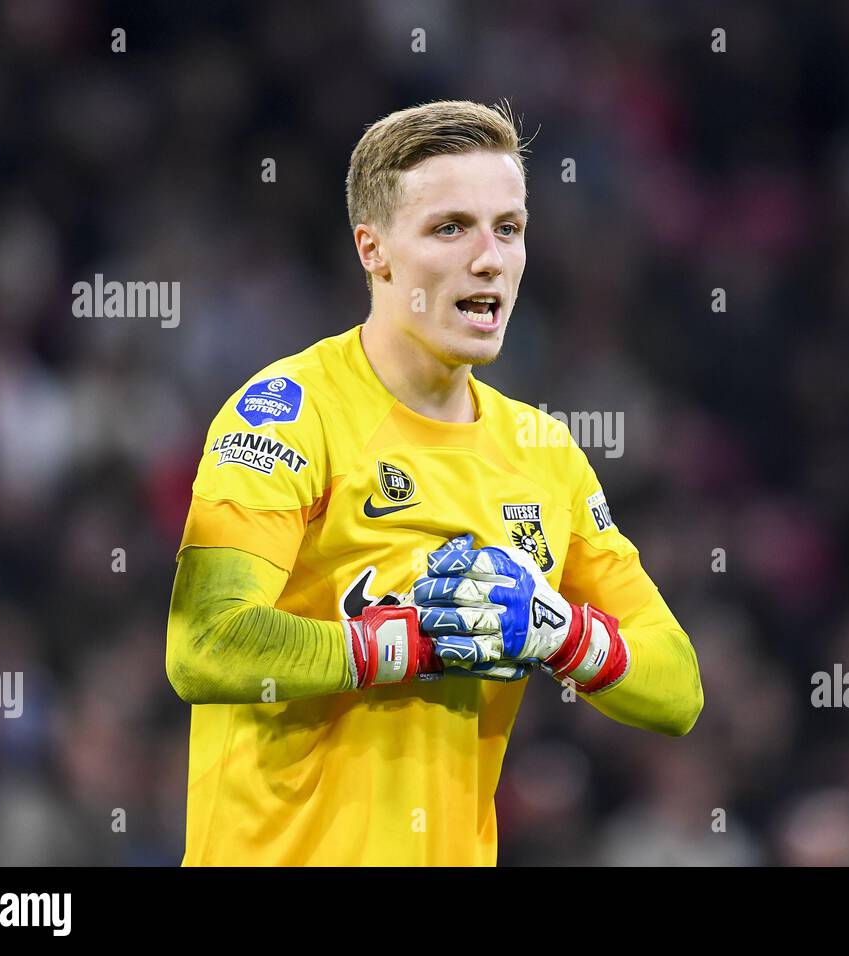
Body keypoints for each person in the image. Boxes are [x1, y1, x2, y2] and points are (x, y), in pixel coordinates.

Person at [165, 99, 703, 865]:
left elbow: (678, 687)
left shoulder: (544, 454)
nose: (488, 258)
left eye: (508, 229)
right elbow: (204, 646)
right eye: (450, 228)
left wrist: (563, 634)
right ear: (374, 250)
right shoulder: (286, 416)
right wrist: (405, 644)